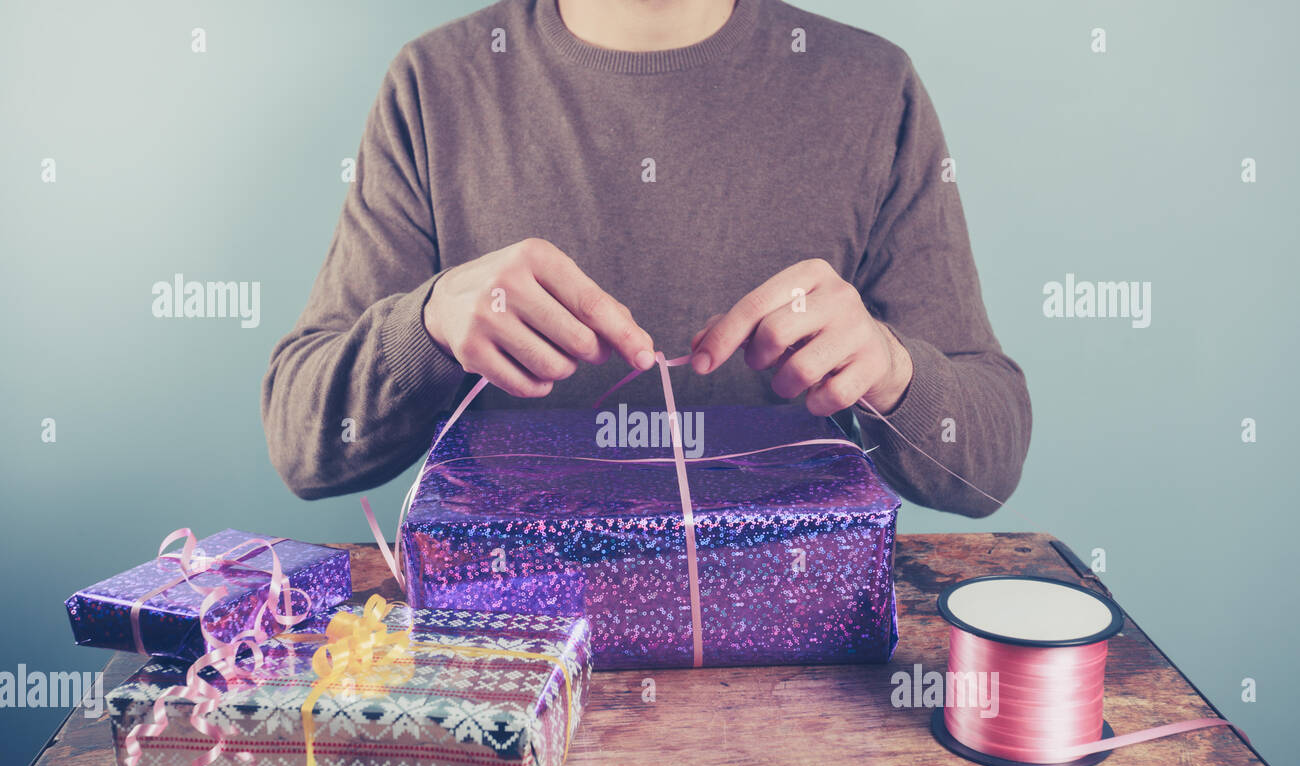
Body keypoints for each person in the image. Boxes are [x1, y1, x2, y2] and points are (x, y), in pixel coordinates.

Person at [261, 0, 1031, 516]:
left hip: (791, 655)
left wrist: (892, 373)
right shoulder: (433, 85)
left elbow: (988, 464)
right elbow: (305, 447)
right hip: (509, 650)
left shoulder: (872, 87)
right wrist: (424, 328)